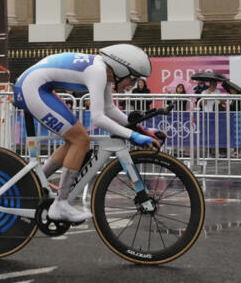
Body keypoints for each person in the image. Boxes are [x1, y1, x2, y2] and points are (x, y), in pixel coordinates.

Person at [13, 44, 159, 223]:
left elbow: (108, 109)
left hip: (36, 85)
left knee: (73, 141)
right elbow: (98, 118)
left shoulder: (103, 71)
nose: (133, 85)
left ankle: (33, 185)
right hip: (31, 88)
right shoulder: (98, 71)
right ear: (121, 69)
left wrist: (142, 131)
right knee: (81, 140)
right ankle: (60, 205)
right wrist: (134, 137)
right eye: (133, 79)